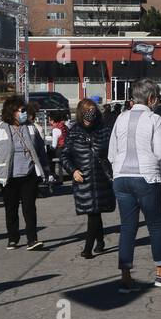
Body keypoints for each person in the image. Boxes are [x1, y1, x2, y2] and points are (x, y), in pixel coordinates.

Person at [108, 78, 161, 291]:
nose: (157, 101)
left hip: (121, 177)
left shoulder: (121, 117)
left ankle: (126, 277)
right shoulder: (154, 119)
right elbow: (159, 153)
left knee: (127, 226)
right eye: (156, 97)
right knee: (155, 225)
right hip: (146, 177)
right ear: (151, 98)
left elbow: (111, 152)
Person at [0, 95, 51, 250]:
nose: (24, 113)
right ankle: (13, 238)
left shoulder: (31, 127)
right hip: (8, 176)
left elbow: (40, 150)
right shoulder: (0, 129)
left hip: (29, 174)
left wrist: (46, 170)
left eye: (24, 110)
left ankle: (32, 239)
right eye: (21, 110)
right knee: (11, 208)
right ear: (12, 111)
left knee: (29, 208)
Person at [63, 98, 116, 262]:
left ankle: (87, 249)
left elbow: (114, 152)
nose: (90, 113)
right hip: (83, 178)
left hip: (102, 178)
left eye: (92, 110)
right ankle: (99, 241)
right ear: (81, 112)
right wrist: (73, 171)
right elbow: (65, 155)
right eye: (87, 110)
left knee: (94, 212)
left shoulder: (104, 130)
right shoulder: (74, 131)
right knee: (93, 212)